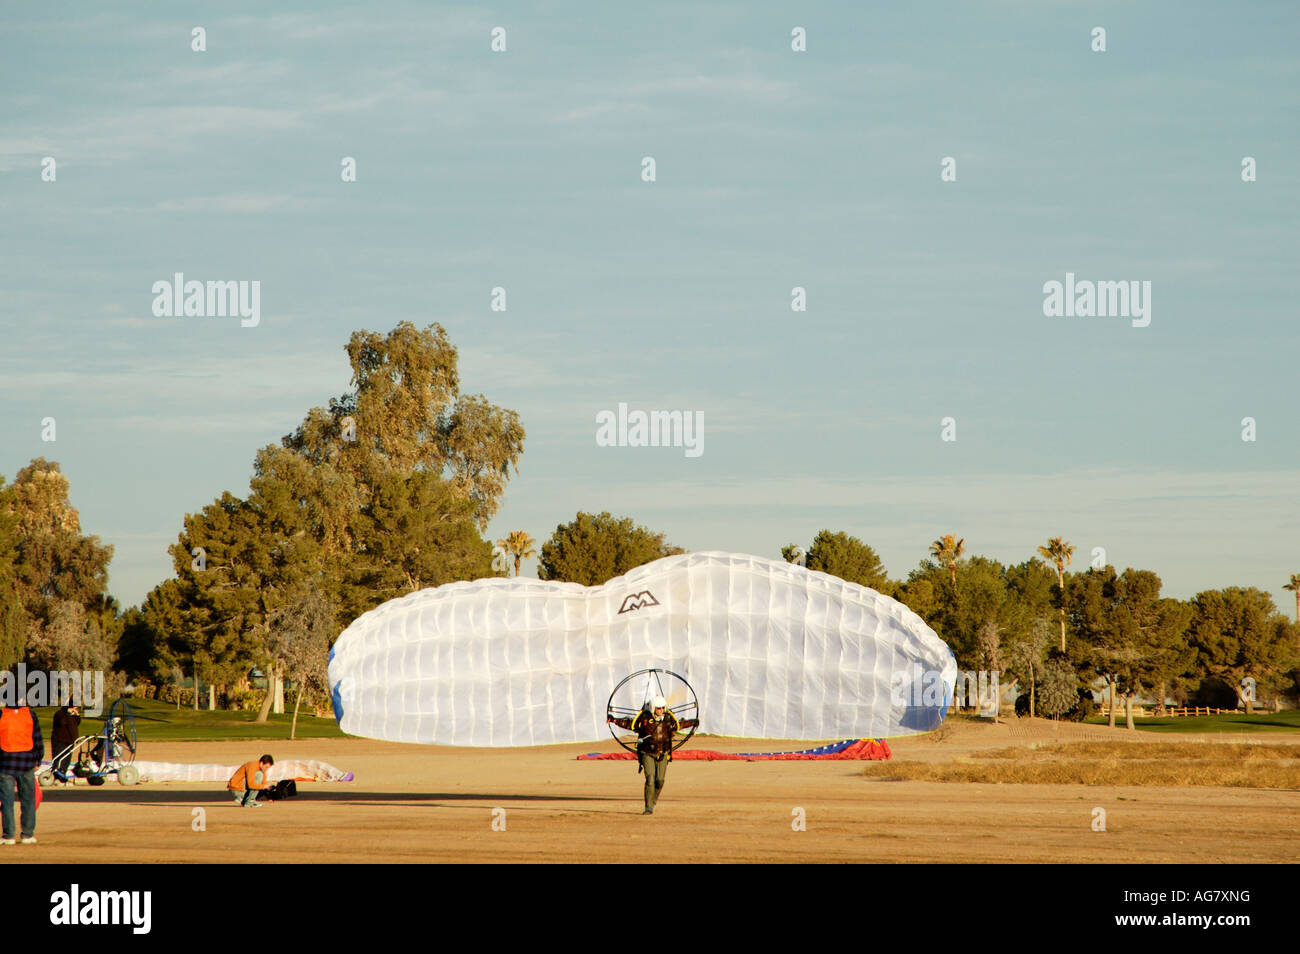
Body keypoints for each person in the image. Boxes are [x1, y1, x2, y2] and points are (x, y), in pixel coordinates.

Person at [608, 695, 697, 815]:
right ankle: (648, 807)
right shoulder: (644, 718)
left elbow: (679, 725)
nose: (661, 710)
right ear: (653, 708)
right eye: (658, 708)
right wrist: (614, 720)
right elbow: (629, 724)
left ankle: (653, 800)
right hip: (647, 753)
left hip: (663, 753)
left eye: (662, 708)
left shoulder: (668, 718)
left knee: (659, 781)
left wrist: (693, 722)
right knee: (650, 779)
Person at [0, 698, 44, 844]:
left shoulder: (2, 716)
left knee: (7, 802)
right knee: (28, 801)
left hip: (5, 763)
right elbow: (37, 738)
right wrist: (38, 758)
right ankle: (27, 834)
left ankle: (8, 835)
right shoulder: (31, 715)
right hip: (27, 762)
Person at [50, 704, 81, 782]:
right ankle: (56, 774)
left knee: (67, 759)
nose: (75, 709)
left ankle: (63, 772)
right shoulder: (60, 713)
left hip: (70, 741)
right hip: (59, 740)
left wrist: (77, 716)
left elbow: (77, 723)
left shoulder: (72, 715)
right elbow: (62, 722)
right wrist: (68, 713)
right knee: (59, 758)